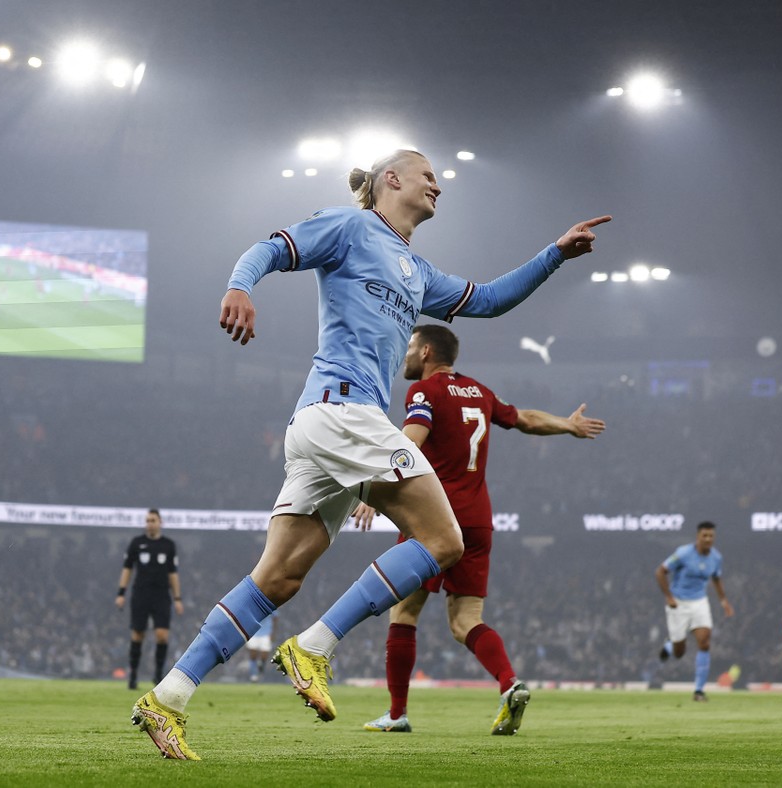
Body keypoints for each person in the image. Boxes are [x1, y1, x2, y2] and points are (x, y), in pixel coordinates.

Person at [130, 148, 611, 760]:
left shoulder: (417, 269)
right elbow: (270, 247)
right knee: (444, 542)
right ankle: (315, 646)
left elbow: (488, 299)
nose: (438, 185)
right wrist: (239, 286)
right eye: (428, 175)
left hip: (323, 426)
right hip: (342, 413)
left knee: (276, 579)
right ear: (393, 180)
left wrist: (555, 255)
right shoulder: (352, 227)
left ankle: (166, 699)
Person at [355, 324, 605, 735]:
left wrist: (373, 489)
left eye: (411, 347)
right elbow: (524, 419)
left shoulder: (424, 393)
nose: (405, 355)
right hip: (477, 519)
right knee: (466, 620)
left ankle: (397, 714)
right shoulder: (479, 392)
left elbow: (410, 440)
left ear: (427, 352)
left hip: (432, 519)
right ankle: (510, 684)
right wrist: (566, 424)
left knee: (404, 611)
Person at [655, 521, 733, 702]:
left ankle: (698, 691)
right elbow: (660, 572)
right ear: (697, 537)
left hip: (699, 602)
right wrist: (668, 597)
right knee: (680, 652)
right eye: (704, 536)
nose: (707, 539)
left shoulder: (716, 557)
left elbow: (716, 579)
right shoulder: (683, 553)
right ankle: (670, 645)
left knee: (705, 642)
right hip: (678, 603)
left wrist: (724, 601)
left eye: (711, 536)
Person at [115, 509, 183, 690]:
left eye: (153, 520)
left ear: (160, 522)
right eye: (147, 520)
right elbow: (127, 569)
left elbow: (173, 573)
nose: (150, 523)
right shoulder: (137, 543)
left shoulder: (168, 545)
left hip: (161, 595)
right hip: (140, 594)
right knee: (138, 634)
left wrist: (177, 598)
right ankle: (133, 675)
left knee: (162, 635)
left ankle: (158, 675)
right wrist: (121, 592)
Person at [245, 612, 277, 683]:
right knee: (253, 655)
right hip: (253, 633)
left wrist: (273, 633)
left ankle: (261, 665)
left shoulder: (270, 603)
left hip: (266, 633)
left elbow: (275, 618)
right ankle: (253, 675)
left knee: (264, 655)